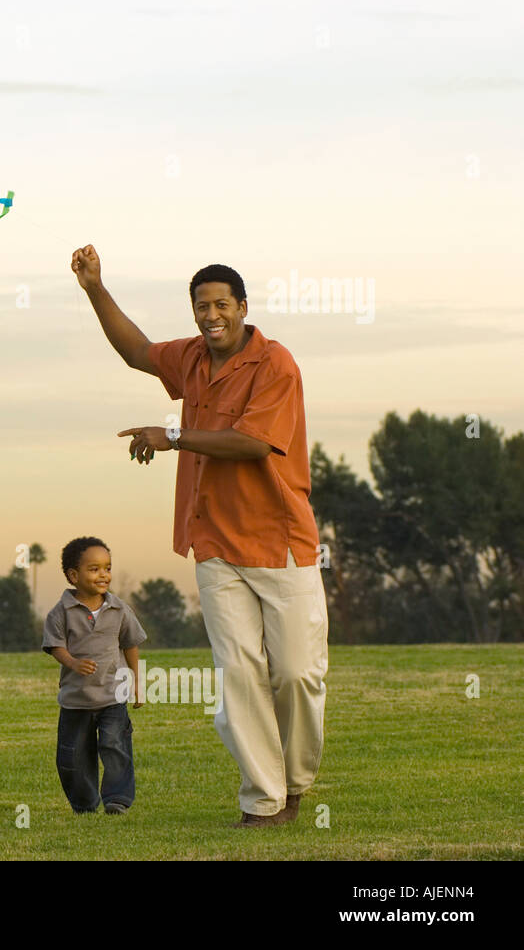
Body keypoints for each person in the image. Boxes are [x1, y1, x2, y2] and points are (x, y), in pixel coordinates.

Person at [70, 243, 329, 829]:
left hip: (280, 541)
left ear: (242, 306)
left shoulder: (276, 364)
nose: (211, 315)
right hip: (213, 541)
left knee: (296, 673)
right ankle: (264, 801)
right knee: (239, 673)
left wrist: (175, 436)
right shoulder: (189, 358)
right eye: (200, 306)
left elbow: (254, 443)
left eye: (221, 304)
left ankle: (295, 780)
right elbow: (137, 350)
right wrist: (94, 288)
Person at [43, 536, 145, 815]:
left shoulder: (119, 608)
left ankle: (117, 800)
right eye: (94, 569)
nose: (104, 575)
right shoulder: (61, 612)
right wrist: (73, 664)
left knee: (116, 747)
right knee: (73, 757)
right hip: (76, 699)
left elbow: (131, 644)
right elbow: (55, 646)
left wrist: (137, 682)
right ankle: (84, 804)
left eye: (107, 568)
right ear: (73, 575)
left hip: (113, 695)